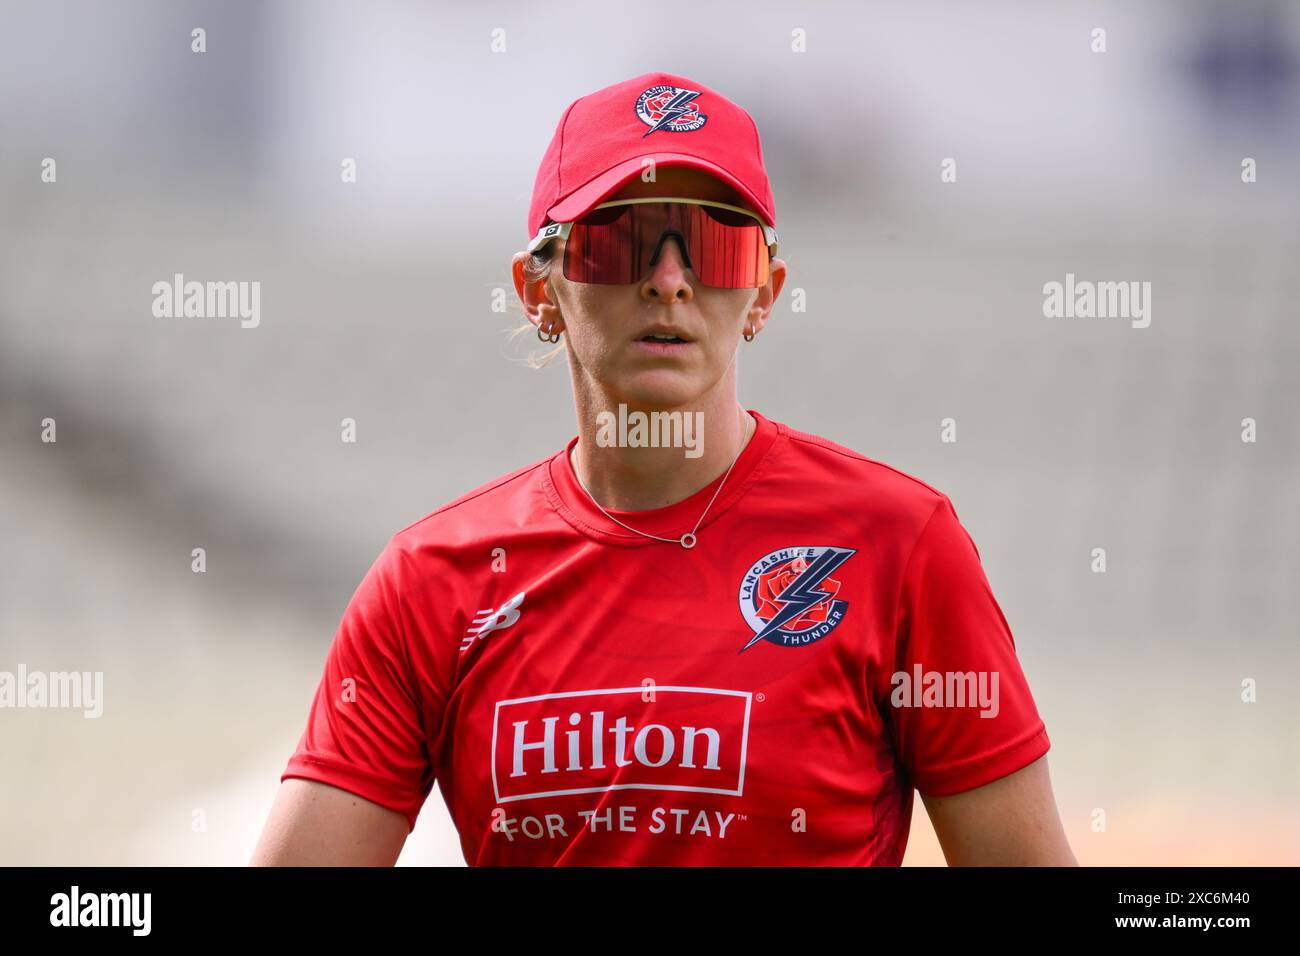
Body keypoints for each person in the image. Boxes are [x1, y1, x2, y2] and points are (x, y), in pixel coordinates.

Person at [251, 71, 1077, 866]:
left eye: (716, 242)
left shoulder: (900, 546)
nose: (671, 280)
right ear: (539, 291)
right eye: (625, 240)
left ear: (763, 293)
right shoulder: (430, 582)